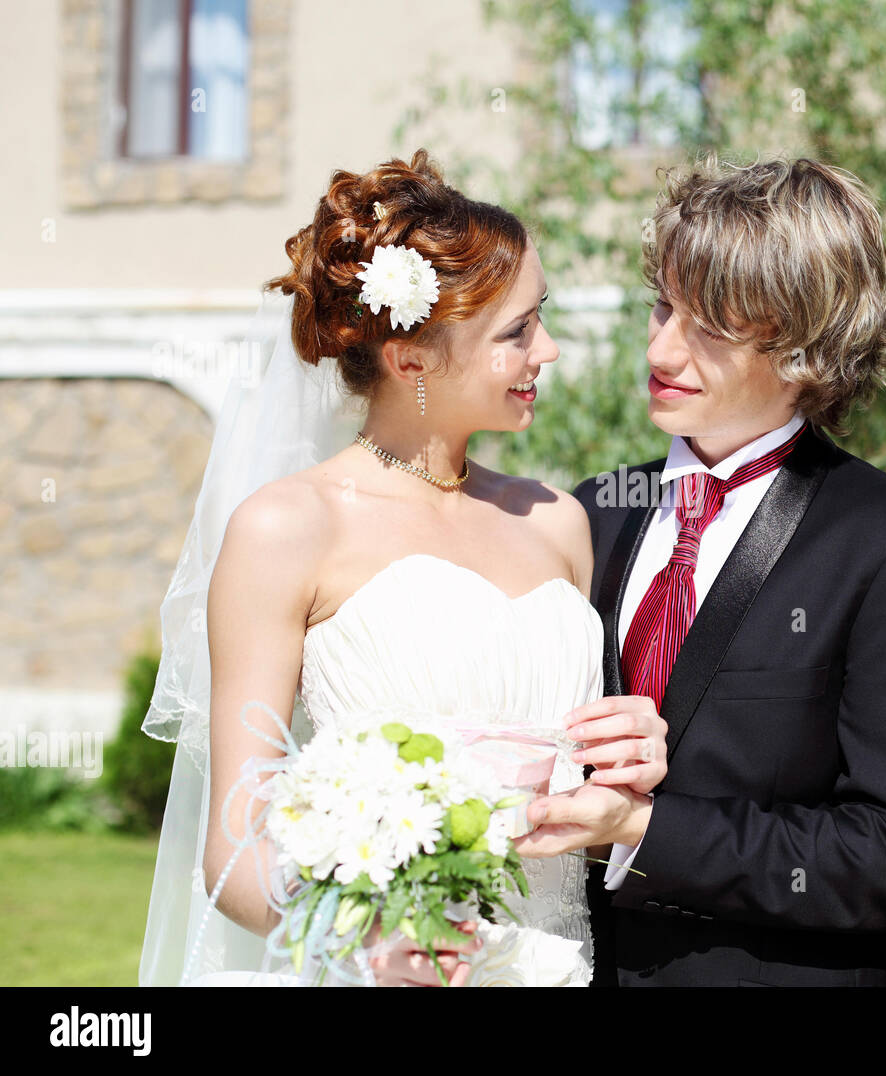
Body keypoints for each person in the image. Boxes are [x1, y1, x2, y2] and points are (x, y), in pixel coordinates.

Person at [139, 150, 666, 987]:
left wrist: (629, 781)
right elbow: (236, 851)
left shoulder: (558, 522)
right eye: (517, 332)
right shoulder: (288, 528)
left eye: (541, 319)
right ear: (411, 360)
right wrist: (377, 941)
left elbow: (586, 795)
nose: (551, 350)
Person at [573, 155, 886, 987]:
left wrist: (641, 831)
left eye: (709, 329)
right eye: (663, 306)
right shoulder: (591, 513)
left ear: (803, 350)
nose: (661, 347)